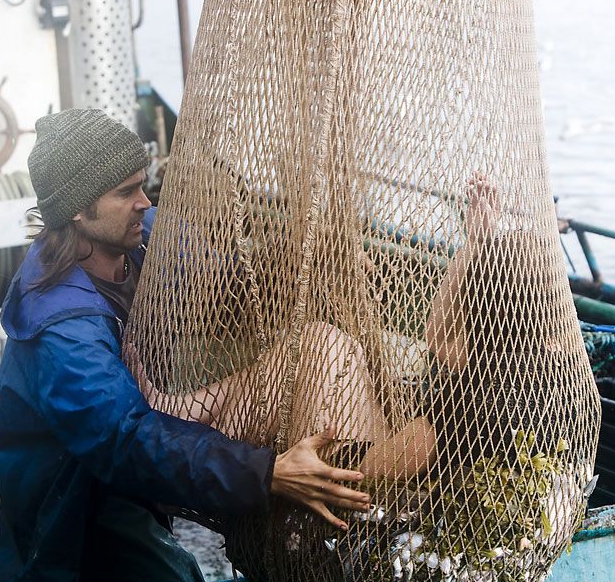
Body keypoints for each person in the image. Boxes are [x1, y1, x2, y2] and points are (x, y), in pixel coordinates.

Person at [0, 109, 370, 582]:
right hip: (81, 503)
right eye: (127, 193)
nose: (145, 202)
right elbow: (125, 439)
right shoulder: (62, 327)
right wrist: (264, 473)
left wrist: (294, 249)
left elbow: (225, 273)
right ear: (78, 212)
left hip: (144, 439)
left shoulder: (140, 241)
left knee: (319, 347)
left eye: (145, 186)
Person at [125, 173, 543, 483]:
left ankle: (189, 417)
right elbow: (439, 338)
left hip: (365, 500)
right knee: (329, 347)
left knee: (321, 349)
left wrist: (291, 468)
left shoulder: (458, 411)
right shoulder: (541, 369)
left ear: (474, 334)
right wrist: (480, 243)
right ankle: (191, 412)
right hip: (415, 457)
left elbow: (364, 475)